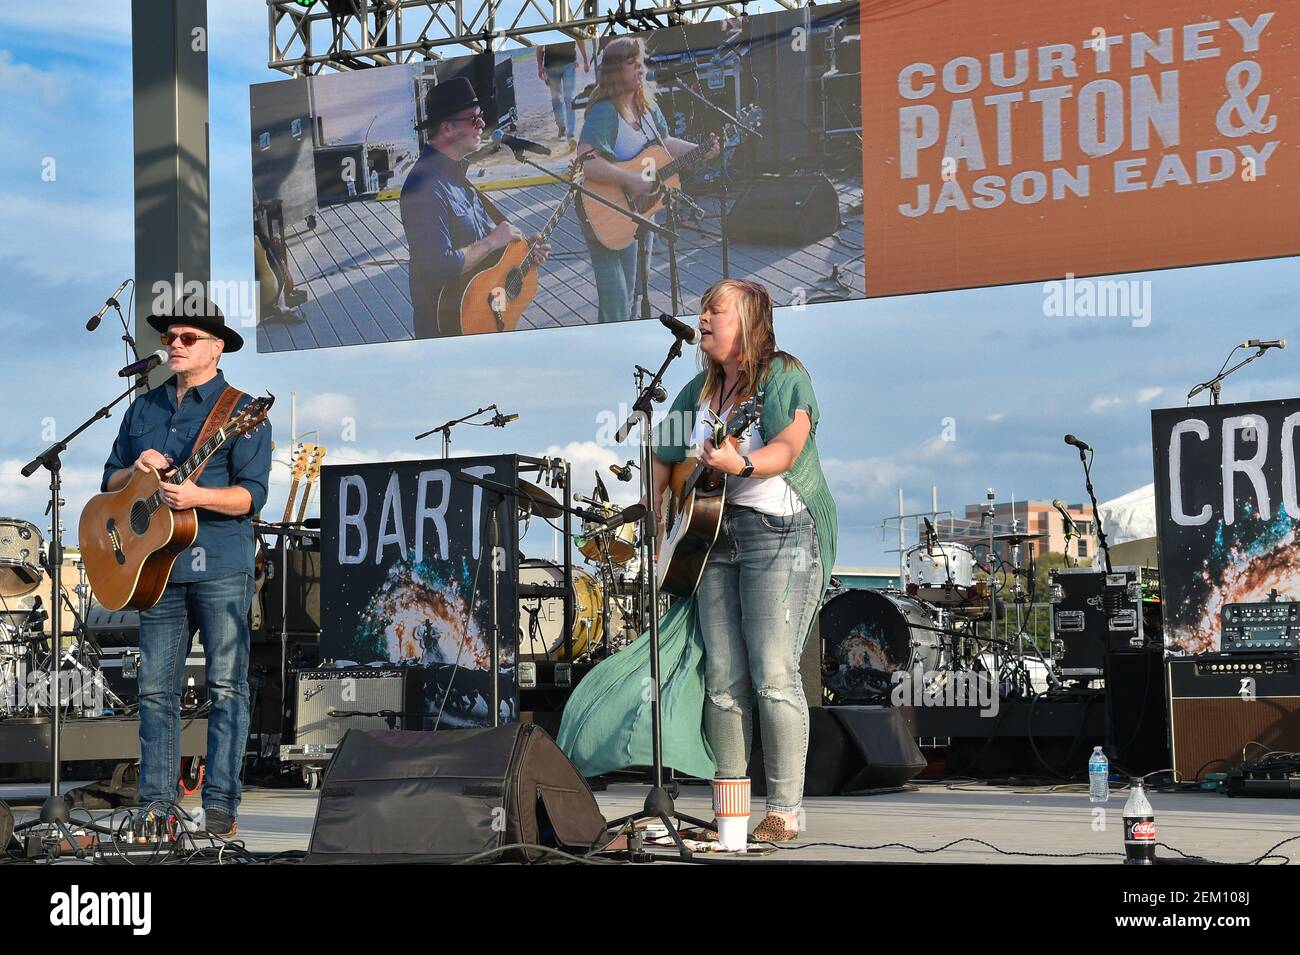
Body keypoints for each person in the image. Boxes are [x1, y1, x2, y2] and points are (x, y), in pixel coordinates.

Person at [558, 278, 837, 842]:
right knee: (723, 679)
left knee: (774, 675)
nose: (703, 319)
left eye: (716, 310)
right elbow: (662, 456)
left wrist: (744, 465)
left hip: (780, 535)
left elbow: (789, 447)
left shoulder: (782, 377)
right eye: (701, 309)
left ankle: (784, 810)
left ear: (750, 321)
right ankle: (731, 814)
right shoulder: (697, 393)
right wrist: (661, 511)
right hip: (711, 539)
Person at [101, 293, 272, 837]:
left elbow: (251, 498)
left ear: (216, 349)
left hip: (221, 564)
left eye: (187, 338)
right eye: (169, 337)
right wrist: (136, 470)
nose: (174, 345)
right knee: (155, 690)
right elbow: (109, 482)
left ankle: (220, 805)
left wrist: (196, 496)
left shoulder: (240, 412)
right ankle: (156, 805)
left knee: (227, 687)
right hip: (157, 570)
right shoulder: (143, 408)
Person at [577, 37, 718, 323]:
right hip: (607, 211)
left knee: (635, 294)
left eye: (641, 62)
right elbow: (587, 161)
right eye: (632, 63)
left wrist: (700, 151)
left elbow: (664, 143)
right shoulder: (605, 112)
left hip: (642, 211)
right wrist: (630, 179)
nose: (640, 69)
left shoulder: (648, 109)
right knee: (618, 299)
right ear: (616, 70)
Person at [400, 77, 546, 338]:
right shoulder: (423, 186)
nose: (482, 124)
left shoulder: (456, 175)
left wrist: (519, 252)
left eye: (481, 117)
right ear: (446, 128)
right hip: (448, 327)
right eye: (473, 119)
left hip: (480, 313)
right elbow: (440, 266)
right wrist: (492, 242)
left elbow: (482, 239)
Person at [535, 38, 590, 153]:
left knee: (569, 98)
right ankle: (561, 127)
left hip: (569, 64)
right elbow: (540, 47)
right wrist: (540, 66)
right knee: (556, 99)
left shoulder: (569, 21)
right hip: (551, 67)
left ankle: (571, 135)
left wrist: (585, 59)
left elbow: (579, 38)